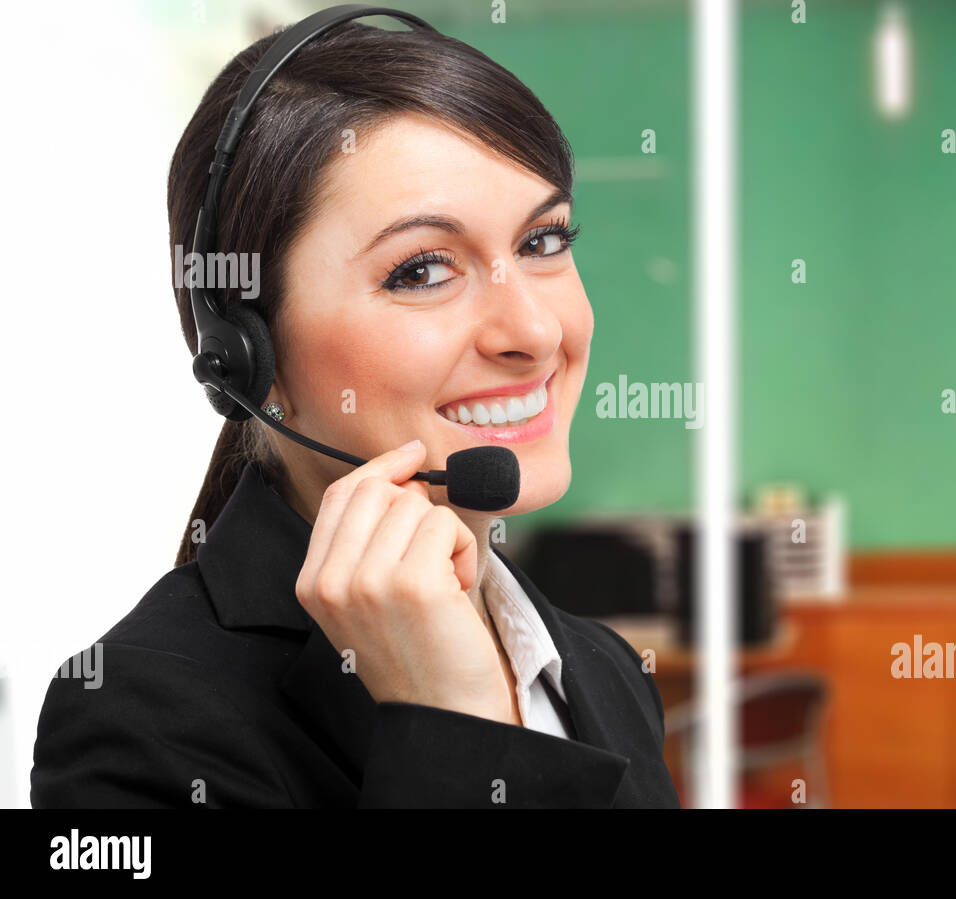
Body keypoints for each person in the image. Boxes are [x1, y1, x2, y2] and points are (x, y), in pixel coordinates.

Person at [30, 12, 680, 809]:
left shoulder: (604, 667)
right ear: (248, 356)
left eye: (543, 241)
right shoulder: (141, 724)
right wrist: (453, 730)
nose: (536, 331)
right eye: (422, 270)